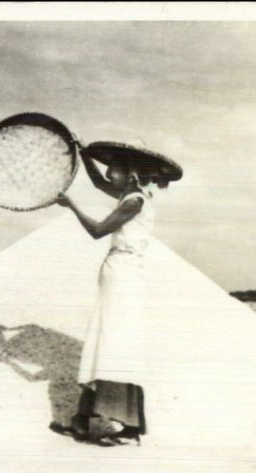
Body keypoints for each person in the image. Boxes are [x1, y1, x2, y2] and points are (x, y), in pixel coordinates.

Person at [52, 139, 180, 446]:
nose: (109, 174)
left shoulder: (133, 202)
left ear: (130, 174)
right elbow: (96, 181)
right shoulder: (134, 196)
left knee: (109, 342)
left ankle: (100, 419)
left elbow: (97, 230)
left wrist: (72, 206)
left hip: (123, 274)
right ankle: (90, 421)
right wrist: (83, 154)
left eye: (115, 171)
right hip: (122, 274)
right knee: (108, 340)